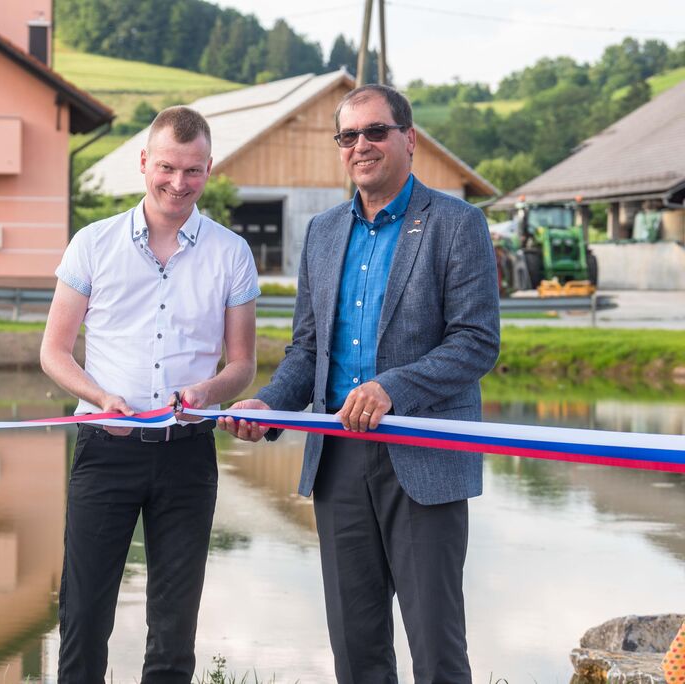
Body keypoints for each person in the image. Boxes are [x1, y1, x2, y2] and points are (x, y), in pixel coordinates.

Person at [218, 84, 500, 683]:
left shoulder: (458, 223)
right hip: (337, 463)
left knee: (437, 648)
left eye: (376, 131)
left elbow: (476, 342)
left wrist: (392, 387)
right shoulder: (321, 232)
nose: (361, 145)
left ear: (410, 139)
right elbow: (307, 352)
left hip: (424, 458)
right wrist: (269, 404)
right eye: (349, 135)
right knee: (355, 647)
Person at [41, 106, 260, 682]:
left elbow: (242, 363)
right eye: (167, 167)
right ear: (144, 162)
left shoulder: (231, 253)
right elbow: (54, 352)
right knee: (84, 614)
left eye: (193, 171)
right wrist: (98, 393)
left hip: (188, 454)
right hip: (104, 450)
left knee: (174, 623)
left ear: (209, 168)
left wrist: (210, 388)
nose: (178, 183)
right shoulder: (92, 244)